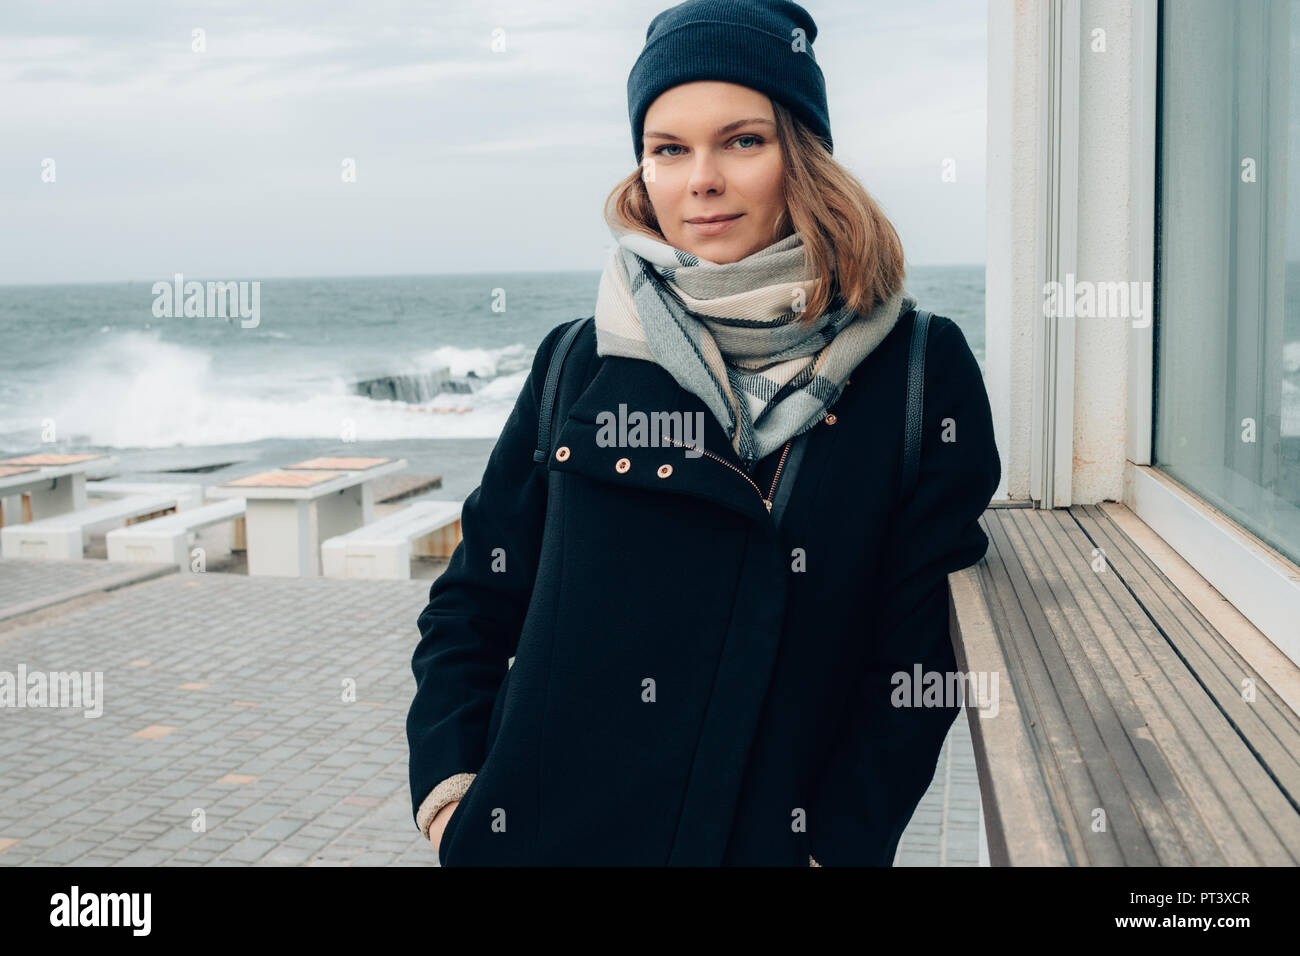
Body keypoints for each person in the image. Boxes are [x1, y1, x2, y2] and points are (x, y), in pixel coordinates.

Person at [407, 0, 1000, 866]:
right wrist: (451, 789)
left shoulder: (915, 369)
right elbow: (475, 595)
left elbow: (915, 661)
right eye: (668, 148)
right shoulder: (580, 358)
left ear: (803, 155)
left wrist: (832, 847)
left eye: (742, 140)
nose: (701, 179)